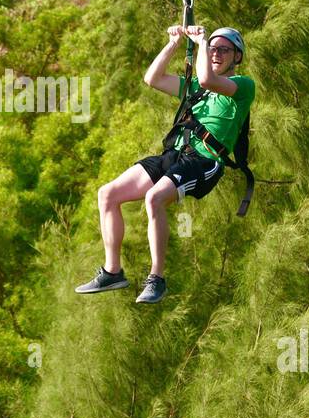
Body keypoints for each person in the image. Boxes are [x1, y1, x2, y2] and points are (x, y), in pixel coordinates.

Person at [75, 25, 254, 304]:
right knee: (107, 194)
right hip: (175, 155)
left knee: (154, 198)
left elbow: (207, 78)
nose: (216, 53)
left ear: (237, 57)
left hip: (205, 161)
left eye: (224, 49)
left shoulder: (242, 86)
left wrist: (202, 41)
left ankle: (156, 279)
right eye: (213, 49)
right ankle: (113, 271)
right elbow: (153, 78)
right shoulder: (195, 88)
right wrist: (173, 43)